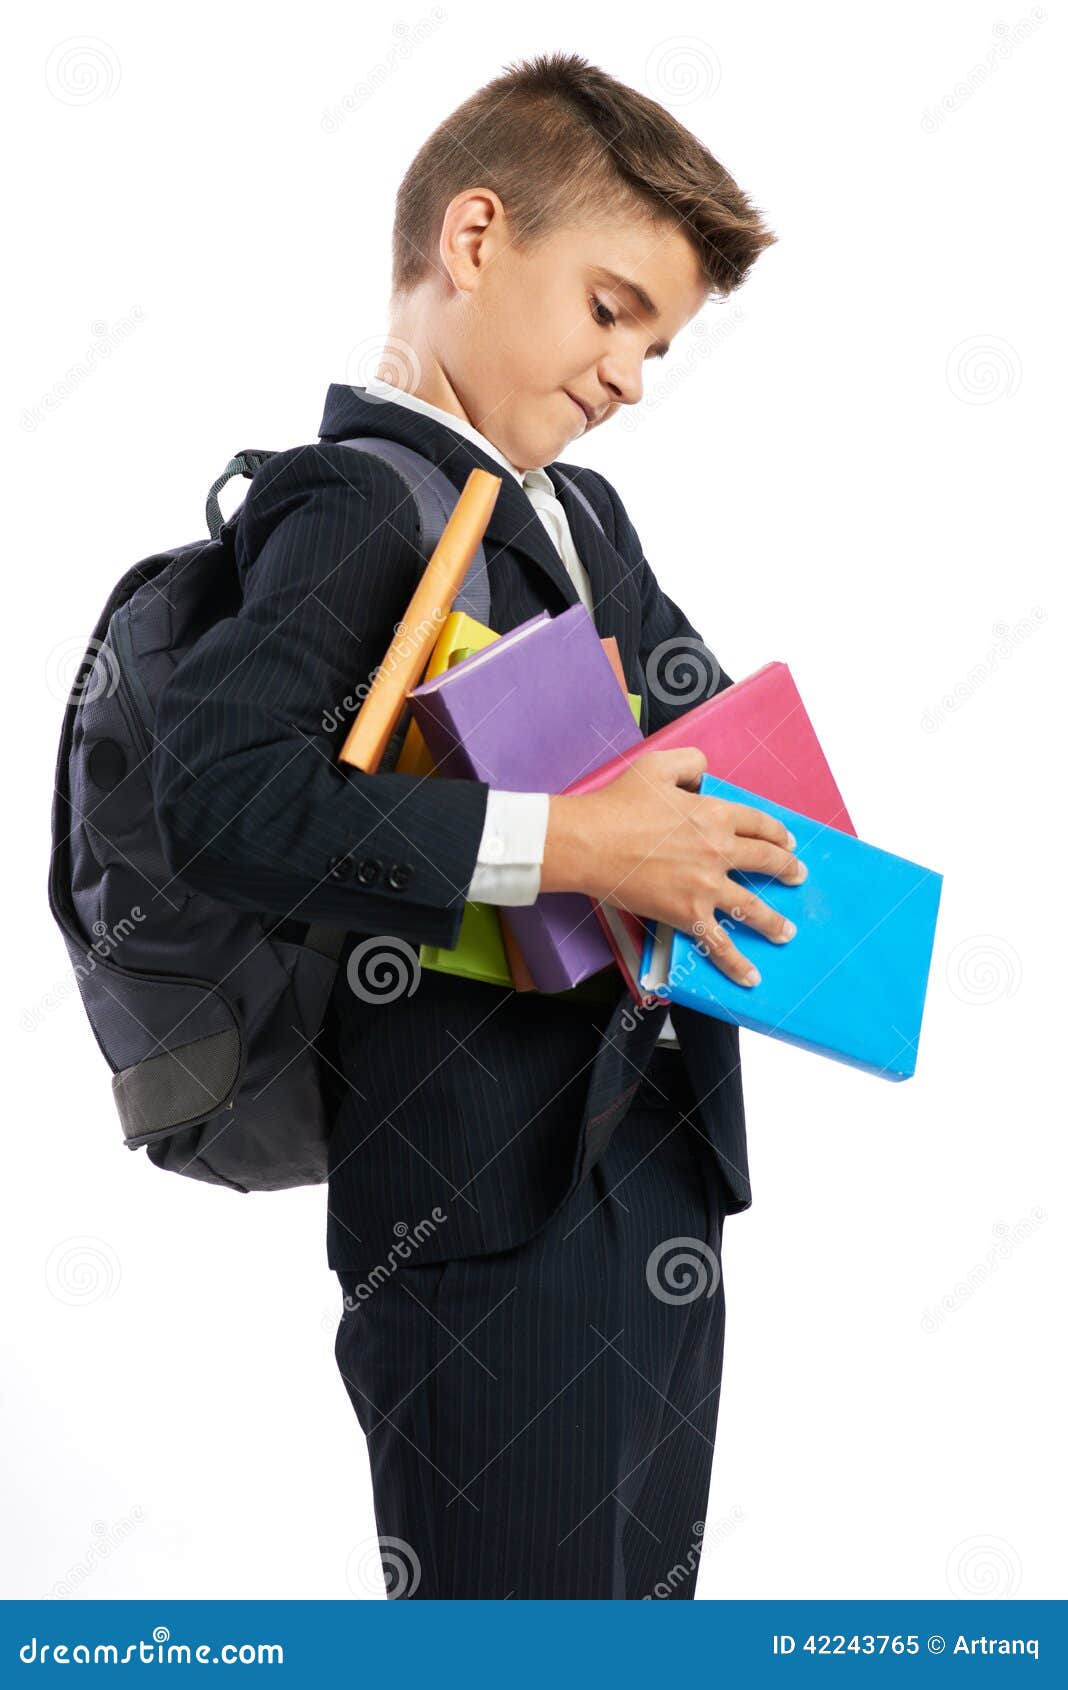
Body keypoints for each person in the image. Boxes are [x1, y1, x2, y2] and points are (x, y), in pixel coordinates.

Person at [153, 50, 805, 1599]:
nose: (632, 376)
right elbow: (222, 796)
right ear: (473, 239)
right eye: (610, 310)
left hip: (653, 1179)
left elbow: (698, 761)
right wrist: (576, 847)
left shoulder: (587, 520)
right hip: (483, 1220)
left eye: (659, 342)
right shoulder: (355, 498)